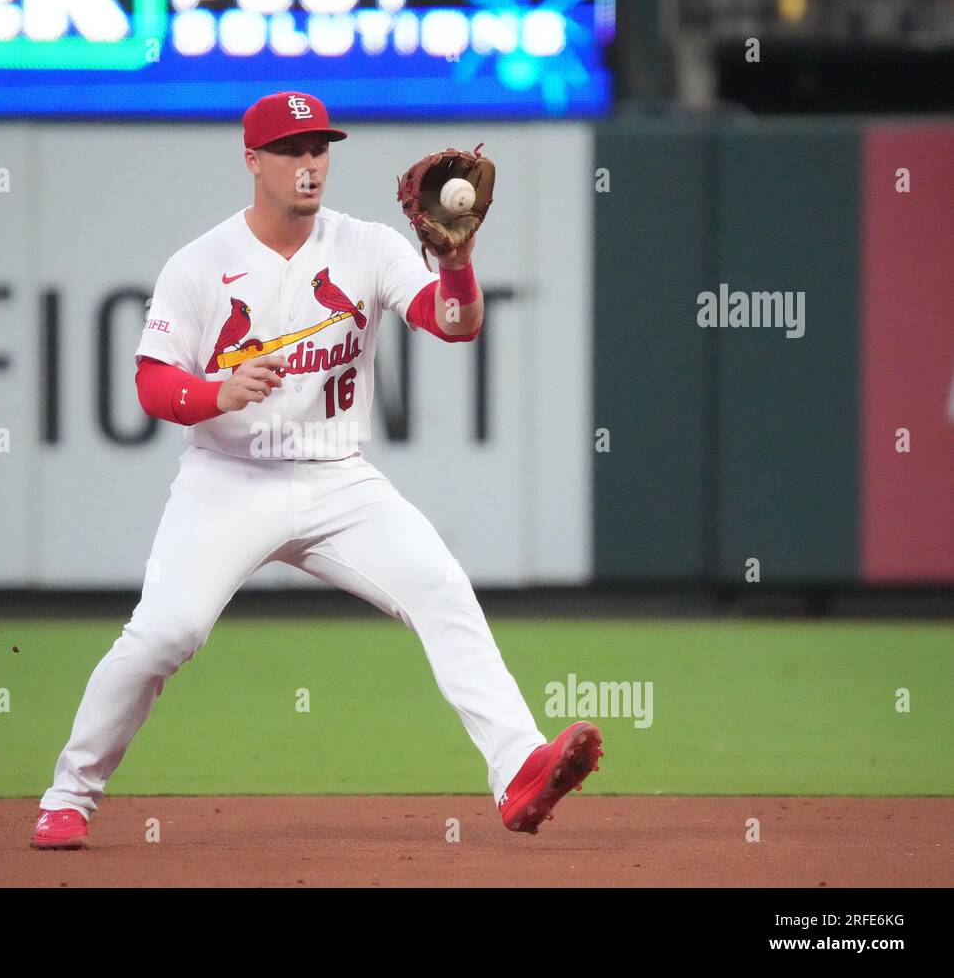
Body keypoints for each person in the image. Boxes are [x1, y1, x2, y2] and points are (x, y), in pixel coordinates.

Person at [32, 91, 601, 850]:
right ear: (253, 161)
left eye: (320, 148)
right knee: (165, 631)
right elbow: (149, 381)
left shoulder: (365, 245)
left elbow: (453, 323)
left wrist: (458, 263)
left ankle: (520, 771)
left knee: (440, 587)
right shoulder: (202, 264)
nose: (310, 164)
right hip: (227, 479)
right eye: (292, 150)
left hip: (338, 477)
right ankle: (68, 795)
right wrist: (214, 392)